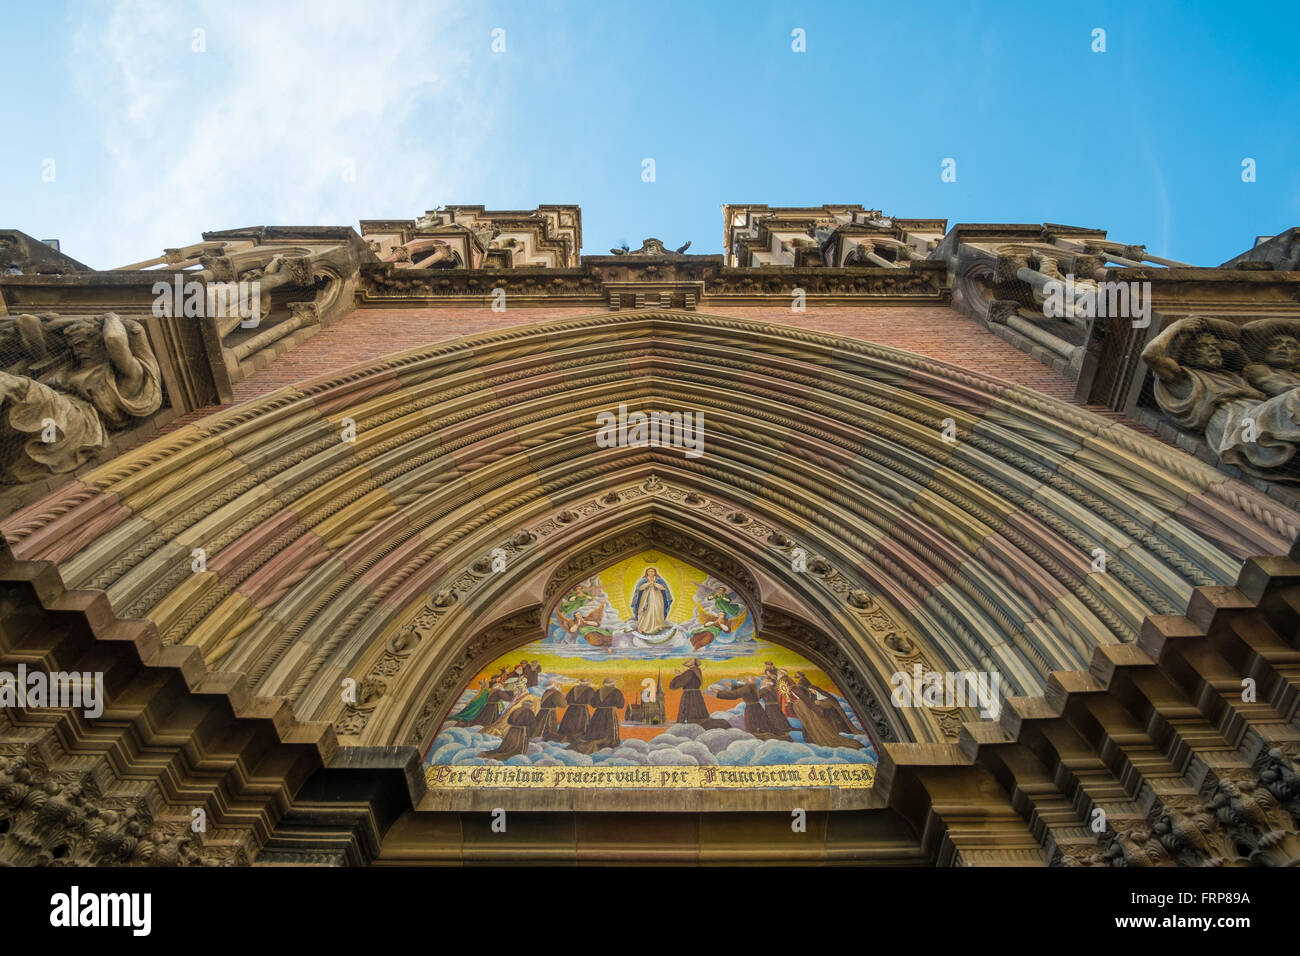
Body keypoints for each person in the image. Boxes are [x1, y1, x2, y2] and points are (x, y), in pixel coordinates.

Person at [668, 659, 730, 728]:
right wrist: (682, 675)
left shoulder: (690, 672)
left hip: (689, 696)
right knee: (698, 713)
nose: (687, 661)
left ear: (694, 662)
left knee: (690, 714)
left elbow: (674, 686)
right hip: (696, 695)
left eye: (689, 660)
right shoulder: (697, 671)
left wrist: (678, 676)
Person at [714, 675, 778, 738]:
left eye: (745, 678)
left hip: (751, 708)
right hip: (757, 707)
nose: (743, 679)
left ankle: (757, 735)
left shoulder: (748, 687)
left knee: (754, 724)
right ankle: (763, 733)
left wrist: (719, 693)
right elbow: (741, 687)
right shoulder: (752, 685)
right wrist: (732, 686)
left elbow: (735, 694)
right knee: (761, 722)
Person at [572, 679, 625, 754]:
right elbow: (620, 705)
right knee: (608, 735)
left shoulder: (598, 691)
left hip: (598, 714)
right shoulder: (616, 691)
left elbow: (593, 704)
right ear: (613, 684)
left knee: (594, 732)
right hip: (609, 714)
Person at [630, 567, 672, 634]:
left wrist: (655, 584)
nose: (651, 573)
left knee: (657, 610)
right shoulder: (643, 580)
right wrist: (648, 584)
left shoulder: (659, 580)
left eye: (652, 571)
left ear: (655, 572)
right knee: (644, 610)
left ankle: (659, 625)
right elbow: (639, 589)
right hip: (645, 598)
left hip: (657, 597)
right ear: (647, 572)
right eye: (649, 571)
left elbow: (664, 588)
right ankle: (642, 627)